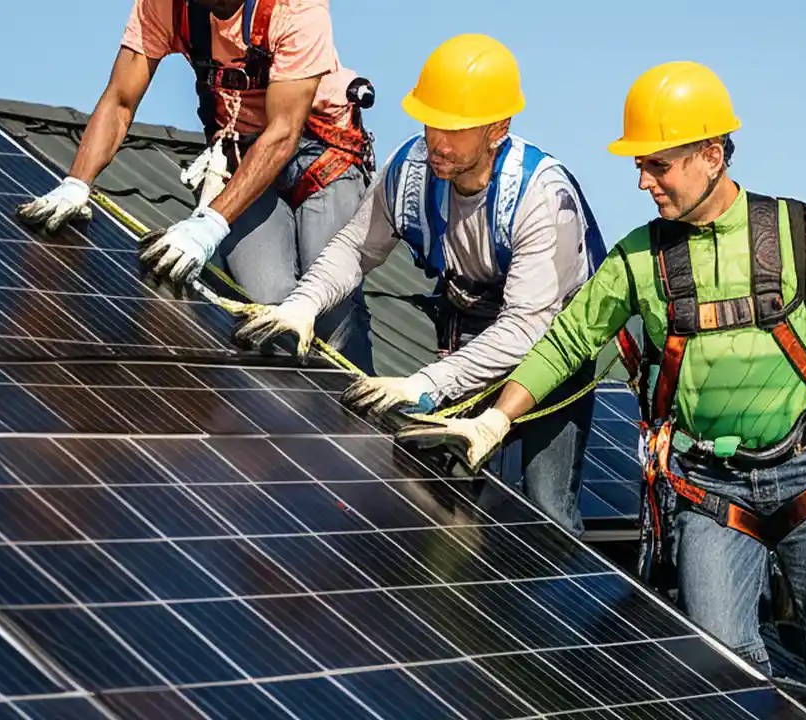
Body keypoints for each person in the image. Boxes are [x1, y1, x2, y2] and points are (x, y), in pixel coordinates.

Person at [395, 60, 806, 720]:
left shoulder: (800, 235)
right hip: (707, 494)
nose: (642, 182)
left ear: (711, 154)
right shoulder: (640, 259)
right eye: (639, 166)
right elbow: (566, 340)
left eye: (658, 165)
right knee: (728, 676)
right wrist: (496, 422)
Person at [234, 33, 607, 536]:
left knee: (543, 509)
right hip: (471, 327)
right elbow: (355, 248)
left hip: (552, 346)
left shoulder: (540, 196)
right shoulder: (411, 171)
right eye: (432, 123)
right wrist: (302, 304)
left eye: (456, 129)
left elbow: (526, 328)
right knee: (452, 488)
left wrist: (430, 382)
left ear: (499, 128)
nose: (439, 142)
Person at [14, 0, 376, 372]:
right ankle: (294, 420)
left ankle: (362, 425)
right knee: (266, 308)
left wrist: (211, 223)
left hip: (321, 154)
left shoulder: (293, 8)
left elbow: (284, 133)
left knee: (330, 305)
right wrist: (76, 183)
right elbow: (121, 99)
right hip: (243, 154)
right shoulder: (167, 6)